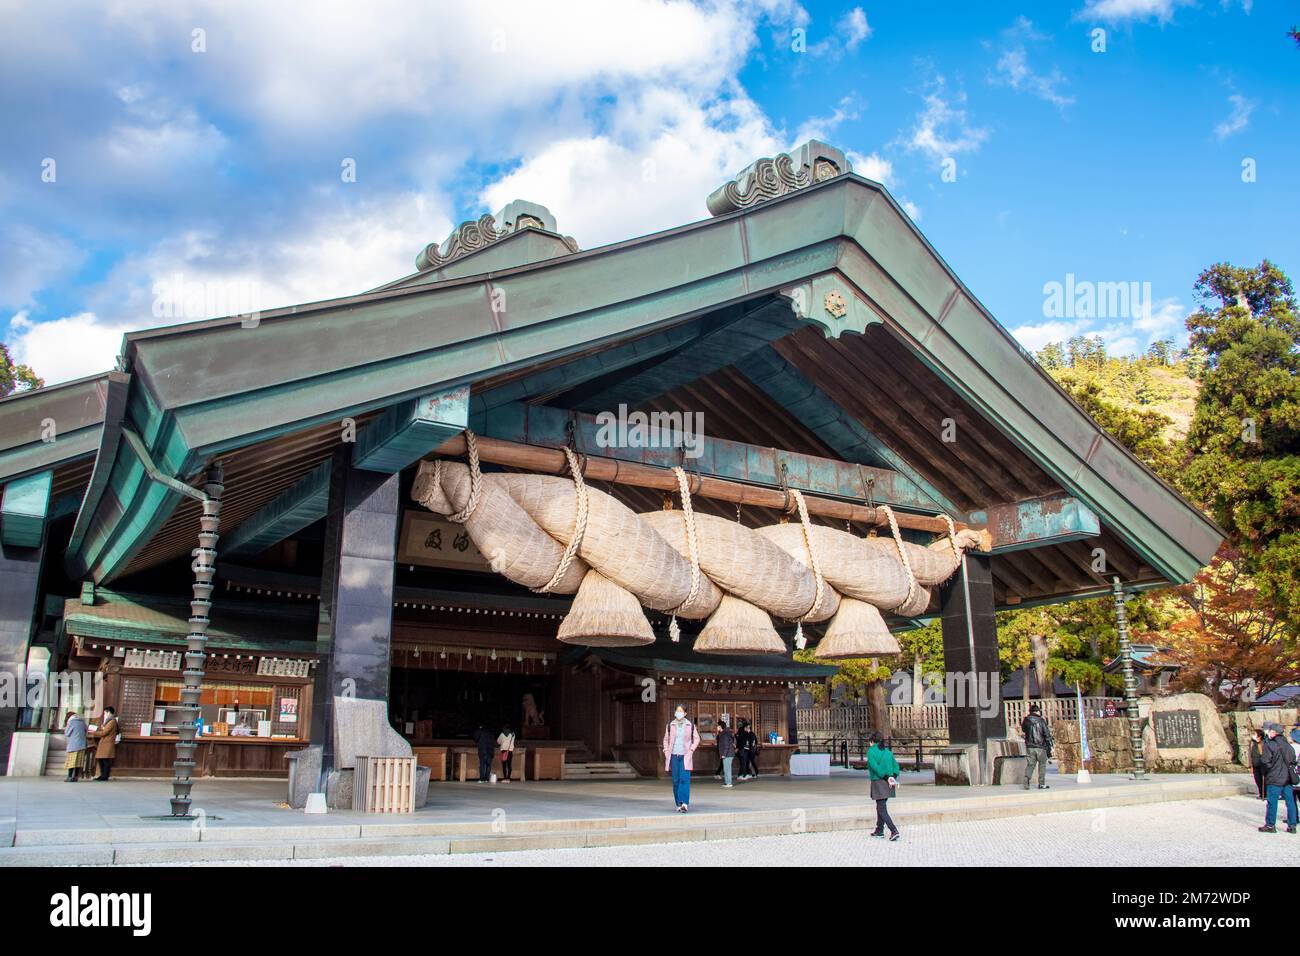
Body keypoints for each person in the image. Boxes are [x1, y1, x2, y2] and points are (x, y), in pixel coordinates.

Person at [1258, 722, 1298, 834]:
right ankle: (1292, 826)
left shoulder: (1270, 745)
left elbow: (1265, 761)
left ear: (1274, 732)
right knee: (1290, 802)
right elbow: (1293, 761)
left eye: (1270, 731)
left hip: (1274, 778)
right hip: (1287, 779)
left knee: (1272, 802)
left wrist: (1269, 770)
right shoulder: (1289, 746)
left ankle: (1270, 825)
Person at [662, 705, 699, 812]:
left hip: (685, 756)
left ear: (685, 713)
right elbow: (665, 740)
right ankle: (678, 803)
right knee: (676, 781)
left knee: (684, 779)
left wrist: (691, 750)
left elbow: (696, 739)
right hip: (673, 756)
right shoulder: (670, 725)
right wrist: (666, 751)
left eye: (681, 711)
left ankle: (684, 803)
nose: (678, 713)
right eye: (677, 711)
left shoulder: (690, 725)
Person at [867, 731, 901, 841]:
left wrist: (885, 776)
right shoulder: (888, 752)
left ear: (872, 741)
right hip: (889, 782)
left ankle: (893, 830)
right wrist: (892, 777)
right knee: (881, 806)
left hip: (879, 782)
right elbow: (896, 767)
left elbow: (874, 767)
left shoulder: (871, 751)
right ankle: (879, 830)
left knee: (881, 809)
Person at [1020, 703, 1053, 790]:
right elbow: (1046, 733)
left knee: (1030, 764)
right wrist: (1050, 745)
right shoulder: (1041, 721)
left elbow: (1023, 729)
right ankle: (1041, 784)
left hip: (1030, 746)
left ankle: (1027, 778)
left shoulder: (1026, 720)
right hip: (1040, 746)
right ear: (1038, 711)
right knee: (1042, 765)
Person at [90, 706, 120, 781]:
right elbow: (104, 729)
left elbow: (104, 733)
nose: (104, 715)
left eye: (105, 713)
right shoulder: (109, 721)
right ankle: (102, 775)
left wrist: (94, 732)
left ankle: (104, 776)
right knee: (101, 759)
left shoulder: (112, 721)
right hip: (105, 743)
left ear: (109, 712)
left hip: (107, 743)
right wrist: (99, 728)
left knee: (105, 760)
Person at [63, 710, 87, 782]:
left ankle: (69, 777)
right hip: (82, 745)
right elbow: (86, 731)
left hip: (73, 745)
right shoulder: (83, 722)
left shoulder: (71, 722)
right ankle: (76, 777)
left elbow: (67, 733)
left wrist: (67, 726)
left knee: (71, 762)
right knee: (78, 762)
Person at [716, 719, 736, 788]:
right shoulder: (725, 733)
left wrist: (724, 754)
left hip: (728, 754)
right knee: (726, 768)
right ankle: (727, 782)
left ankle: (729, 783)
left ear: (720, 726)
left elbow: (726, 745)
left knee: (727, 769)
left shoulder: (724, 734)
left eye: (717, 726)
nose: (717, 727)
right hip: (728, 753)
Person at [1249, 729, 1268, 800]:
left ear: (1259, 736)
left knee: (1263, 780)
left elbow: (1262, 753)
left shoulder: (1263, 743)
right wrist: (1251, 765)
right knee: (1257, 780)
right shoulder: (1252, 743)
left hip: (1262, 764)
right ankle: (1261, 793)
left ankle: (1265, 794)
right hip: (1255, 763)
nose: (1253, 735)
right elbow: (1250, 754)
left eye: (1255, 734)